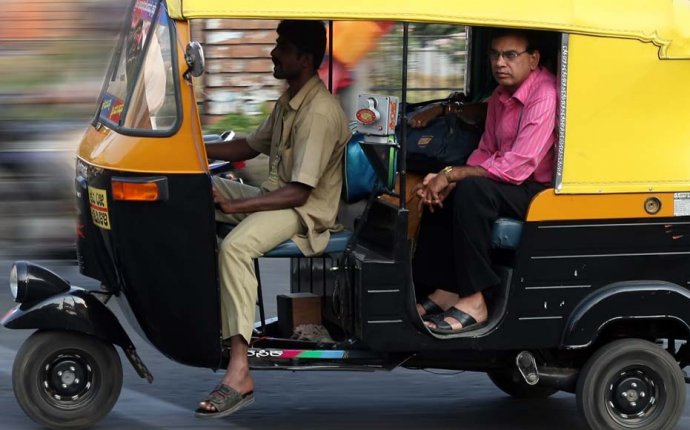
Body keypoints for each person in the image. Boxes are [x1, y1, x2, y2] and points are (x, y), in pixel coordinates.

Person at [195, 20, 351, 418]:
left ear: (305, 58)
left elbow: (300, 193)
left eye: (282, 47)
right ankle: (217, 318)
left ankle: (239, 371)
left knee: (234, 248)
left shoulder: (318, 112)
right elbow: (248, 145)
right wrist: (187, 145)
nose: (273, 53)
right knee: (192, 196)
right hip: (276, 197)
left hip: (303, 212)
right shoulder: (289, 100)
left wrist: (235, 207)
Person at [412, 28, 557, 335]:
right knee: (443, 191)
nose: (500, 63)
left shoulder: (544, 94)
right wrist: (445, 179)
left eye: (510, 55)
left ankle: (475, 301)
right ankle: (446, 289)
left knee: (472, 190)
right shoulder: (499, 95)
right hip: (510, 183)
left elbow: (519, 166)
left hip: (538, 192)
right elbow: (485, 150)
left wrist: (454, 174)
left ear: (533, 59)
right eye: (495, 55)